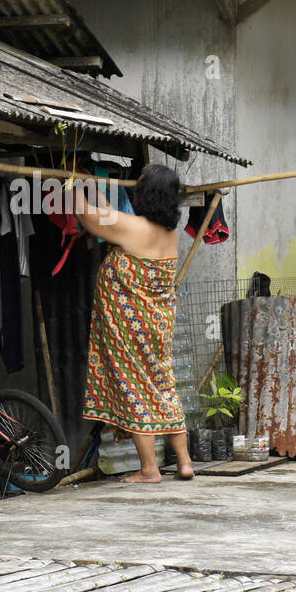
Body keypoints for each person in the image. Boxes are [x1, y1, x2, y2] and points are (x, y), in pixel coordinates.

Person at [74, 164, 194, 482]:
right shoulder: (167, 233)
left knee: (136, 389)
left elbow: (89, 218)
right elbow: (111, 215)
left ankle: (150, 469)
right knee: (164, 386)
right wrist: (93, 186)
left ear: (147, 194)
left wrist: (71, 186)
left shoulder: (133, 228)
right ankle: (184, 463)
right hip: (158, 327)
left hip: (132, 330)